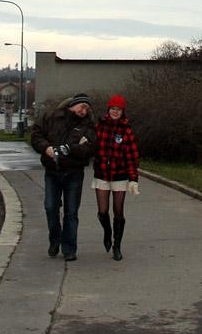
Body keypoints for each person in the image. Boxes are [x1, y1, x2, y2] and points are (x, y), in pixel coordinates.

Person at [30, 93, 97, 261]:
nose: (84, 110)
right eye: (82, 106)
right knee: (50, 207)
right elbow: (36, 135)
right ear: (73, 105)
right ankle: (55, 239)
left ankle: (69, 249)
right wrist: (46, 148)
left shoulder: (88, 126)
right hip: (52, 171)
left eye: (87, 108)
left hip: (74, 173)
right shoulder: (51, 117)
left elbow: (90, 149)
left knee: (71, 212)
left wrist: (69, 148)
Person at [92, 94, 139, 261]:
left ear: (122, 111)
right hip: (102, 175)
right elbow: (92, 146)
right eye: (113, 108)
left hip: (120, 176)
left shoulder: (126, 130)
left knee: (118, 211)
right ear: (108, 109)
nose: (115, 112)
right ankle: (107, 232)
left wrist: (133, 178)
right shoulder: (100, 126)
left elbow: (132, 156)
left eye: (118, 109)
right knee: (102, 211)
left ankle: (117, 246)